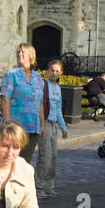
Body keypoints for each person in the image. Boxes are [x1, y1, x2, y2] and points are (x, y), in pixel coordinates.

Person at [0, 43, 46, 164]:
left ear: (31, 55)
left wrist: (42, 124)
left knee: (25, 162)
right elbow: (5, 98)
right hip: (16, 126)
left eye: (23, 52)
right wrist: (7, 122)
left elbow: (40, 102)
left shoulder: (38, 77)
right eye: (18, 52)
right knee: (11, 160)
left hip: (33, 127)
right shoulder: (11, 75)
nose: (19, 54)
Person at [35, 59, 68, 199]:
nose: (54, 73)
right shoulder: (43, 84)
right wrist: (41, 124)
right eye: (52, 70)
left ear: (61, 73)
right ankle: (39, 187)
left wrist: (63, 127)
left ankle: (49, 186)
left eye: (57, 71)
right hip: (45, 123)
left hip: (54, 125)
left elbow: (59, 109)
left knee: (53, 157)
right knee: (45, 156)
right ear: (47, 71)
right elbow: (39, 104)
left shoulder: (58, 88)